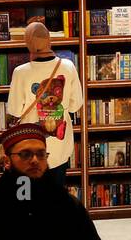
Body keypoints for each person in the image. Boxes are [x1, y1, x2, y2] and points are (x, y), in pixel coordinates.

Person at [6, 21, 83, 185]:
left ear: (27, 43)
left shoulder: (21, 72)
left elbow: (15, 110)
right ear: (49, 40)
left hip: (30, 150)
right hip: (59, 149)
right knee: (54, 200)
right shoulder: (68, 67)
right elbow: (76, 105)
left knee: (28, 200)